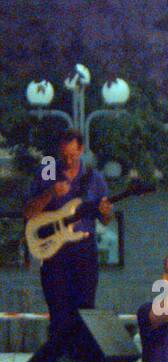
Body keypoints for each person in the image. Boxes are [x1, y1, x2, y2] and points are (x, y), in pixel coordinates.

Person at [22, 129, 113, 343]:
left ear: (81, 150)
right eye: (64, 156)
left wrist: (107, 212)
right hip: (55, 252)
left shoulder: (94, 178)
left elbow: (105, 219)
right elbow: (29, 212)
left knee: (85, 310)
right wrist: (51, 193)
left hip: (84, 249)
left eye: (73, 155)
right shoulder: (47, 172)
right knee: (59, 312)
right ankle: (58, 360)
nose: (69, 161)